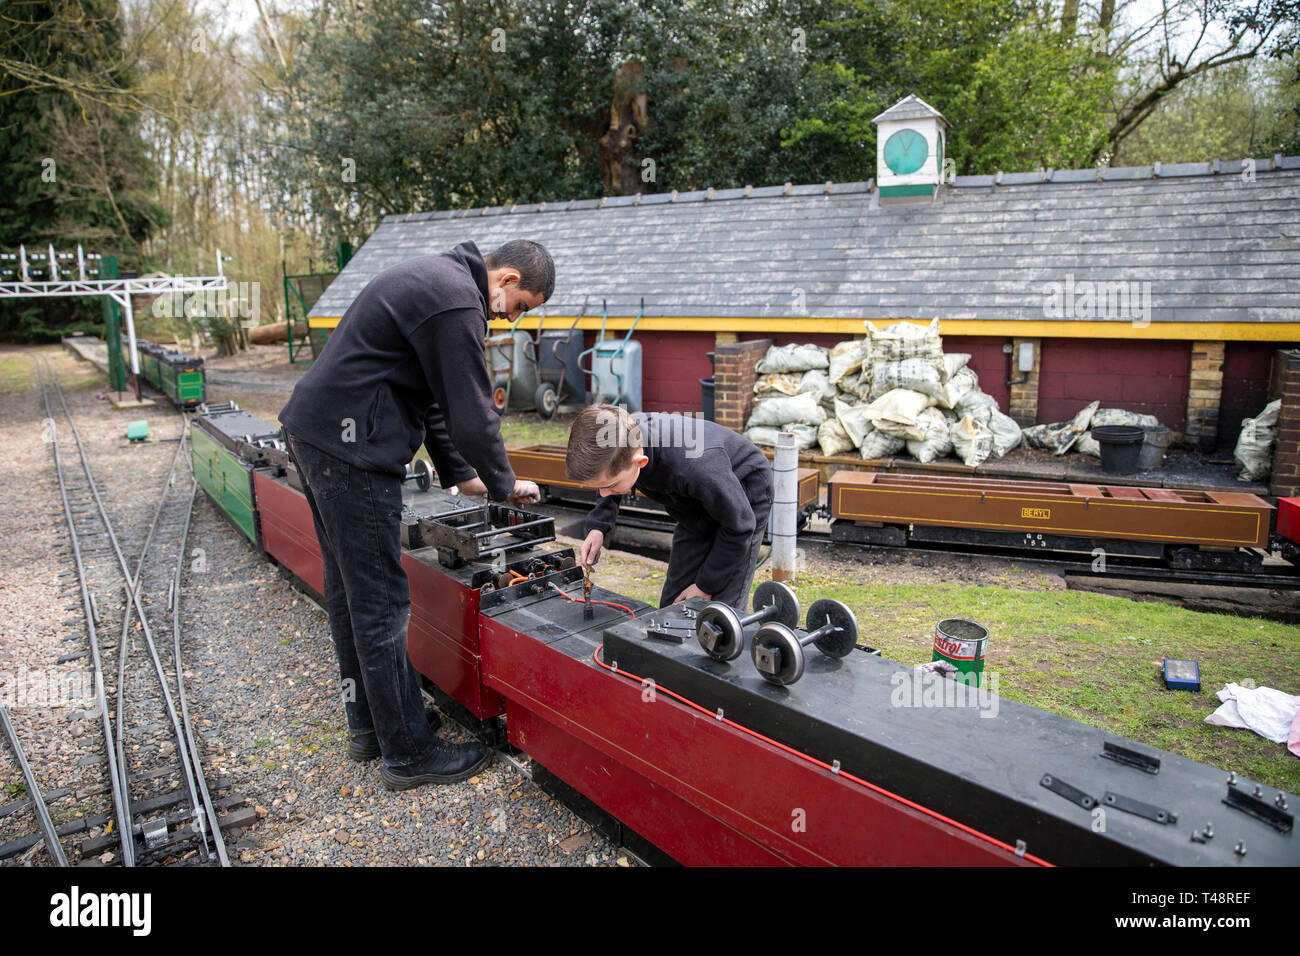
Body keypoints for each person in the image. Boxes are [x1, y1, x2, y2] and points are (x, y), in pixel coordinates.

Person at [279, 239, 548, 790]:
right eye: (520, 305)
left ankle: (372, 726)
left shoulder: (440, 281)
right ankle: (407, 752)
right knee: (380, 600)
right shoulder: (458, 301)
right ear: (506, 278)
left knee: (350, 590)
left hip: (319, 437)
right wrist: (502, 483)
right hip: (351, 453)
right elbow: (473, 411)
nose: (513, 318)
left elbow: (433, 401)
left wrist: (461, 476)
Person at [566, 404, 773, 611]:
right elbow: (607, 477)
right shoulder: (620, 441)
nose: (603, 494)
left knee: (720, 610)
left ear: (641, 462)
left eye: (609, 486)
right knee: (673, 602)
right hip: (693, 505)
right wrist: (598, 527)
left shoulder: (696, 466)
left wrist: (705, 586)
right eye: (600, 487)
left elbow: (740, 527)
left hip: (744, 496)